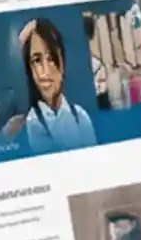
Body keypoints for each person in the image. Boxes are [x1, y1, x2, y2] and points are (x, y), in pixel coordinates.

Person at [20, 18, 98, 150]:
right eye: (37, 60)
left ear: (62, 64)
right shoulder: (27, 125)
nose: (45, 70)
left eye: (51, 58)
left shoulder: (80, 117)